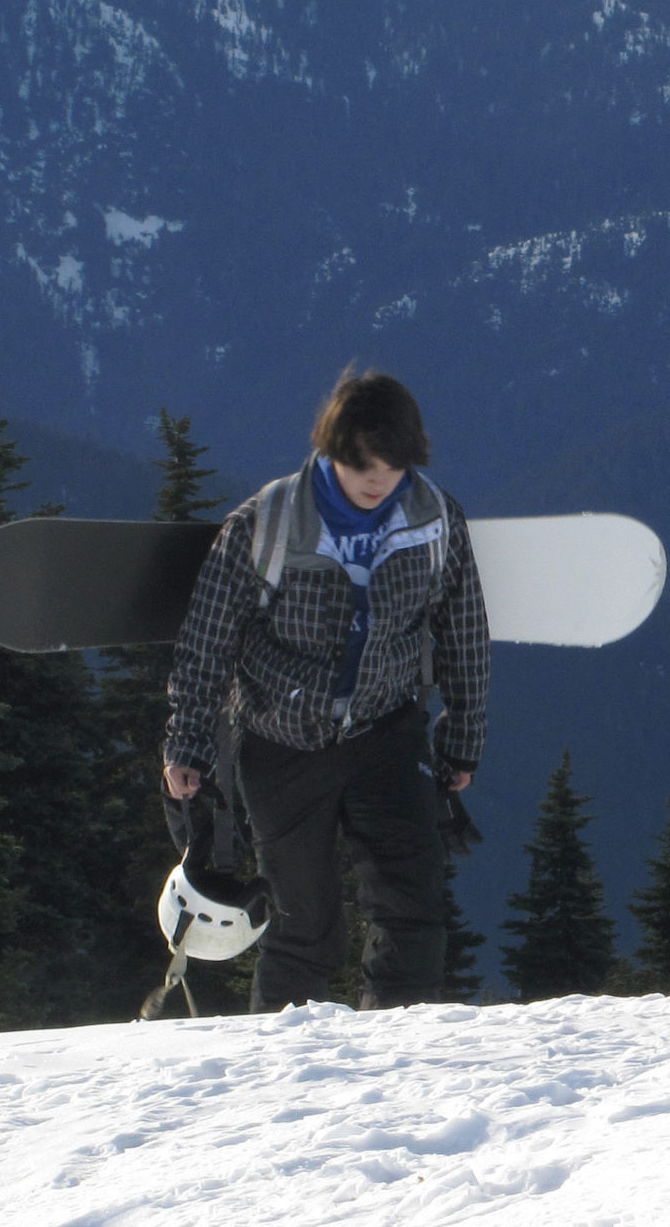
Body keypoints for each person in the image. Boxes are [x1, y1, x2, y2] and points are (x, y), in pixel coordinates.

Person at [162, 369, 488, 1010]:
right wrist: (188, 742)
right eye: (363, 465)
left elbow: (464, 627)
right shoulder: (266, 525)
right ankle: (288, 1079)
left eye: (393, 468)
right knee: (302, 925)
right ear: (333, 450)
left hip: (386, 731)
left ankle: (395, 1057)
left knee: (413, 910)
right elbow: (207, 640)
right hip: (282, 743)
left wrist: (463, 738)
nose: (378, 481)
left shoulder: (434, 519)